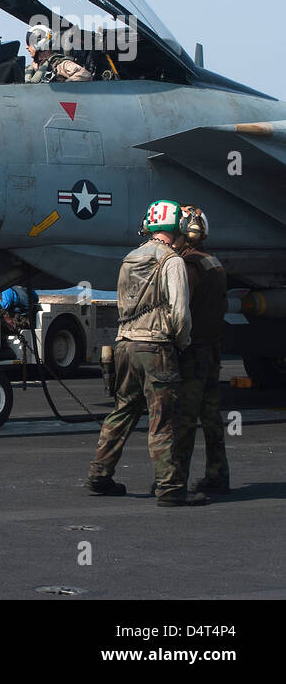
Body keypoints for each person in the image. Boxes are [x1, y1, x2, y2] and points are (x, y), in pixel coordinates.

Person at [86, 199, 207, 506]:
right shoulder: (172, 261)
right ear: (177, 228)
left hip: (125, 344)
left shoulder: (129, 258)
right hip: (156, 348)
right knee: (163, 417)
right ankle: (170, 488)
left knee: (122, 411)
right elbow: (180, 313)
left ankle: (100, 475)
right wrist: (182, 342)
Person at [174, 206, 230, 494]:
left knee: (185, 417)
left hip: (194, 351)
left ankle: (176, 480)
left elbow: (181, 307)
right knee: (210, 415)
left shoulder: (190, 265)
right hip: (212, 348)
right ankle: (218, 474)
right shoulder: (213, 261)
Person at [25, 24, 92, 82]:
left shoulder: (60, 65)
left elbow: (84, 75)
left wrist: (64, 86)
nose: (26, 47)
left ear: (40, 43)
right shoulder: (30, 70)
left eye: (29, 43)